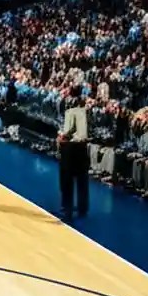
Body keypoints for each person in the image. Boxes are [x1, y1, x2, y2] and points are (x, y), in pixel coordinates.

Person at [57, 86, 90, 220]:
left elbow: (68, 130)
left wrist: (60, 135)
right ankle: (83, 208)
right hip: (83, 147)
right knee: (82, 180)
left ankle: (67, 208)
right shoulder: (85, 111)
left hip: (71, 148)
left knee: (67, 180)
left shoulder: (70, 111)